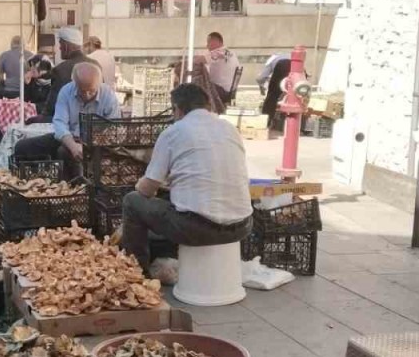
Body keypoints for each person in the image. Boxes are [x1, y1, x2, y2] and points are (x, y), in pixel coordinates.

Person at [119, 83, 253, 273]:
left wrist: (140, 185)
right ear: (208, 106)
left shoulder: (173, 132)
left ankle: (136, 273)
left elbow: (147, 189)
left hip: (196, 229)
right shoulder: (230, 129)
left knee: (132, 201)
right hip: (243, 226)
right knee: (179, 202)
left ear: (177, 109)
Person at [13, 62, 120, 180]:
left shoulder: (109, 96)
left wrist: (90, 146)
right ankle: (32, 181)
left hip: (96, 143)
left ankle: (74, 188)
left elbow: (113, 129)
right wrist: (73, 146)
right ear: (74, 83)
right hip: (68, 138)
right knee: (21, 147)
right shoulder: (66, 91)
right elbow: (59, 124)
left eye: (92, 91)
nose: (87, 95)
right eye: (82, 91)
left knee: (63, 153)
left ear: (100, 83)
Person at [45, 27, 98, 116]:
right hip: (92, 121)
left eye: (60, 44)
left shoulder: (60, 70)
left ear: (66, 46)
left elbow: (52, 106)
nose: (60, 48)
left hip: (66, 123)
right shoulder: (96, 65)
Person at [204, 32, 240, 107]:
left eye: (208, 42)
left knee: (197, 87)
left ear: (215, 42)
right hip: (228, 91)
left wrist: (184, 62)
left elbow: (201, 59)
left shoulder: (219, 53)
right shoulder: (230, 52)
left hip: (221, 91)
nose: (207, 46)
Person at [258, 52, 292, 130]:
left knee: (272, 96)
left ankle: (267, 122)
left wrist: (261, 87)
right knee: (294, 97)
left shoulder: (271, 59)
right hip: (296, 67)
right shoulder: (288, 55)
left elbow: (260, 78)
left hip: (282, 66)